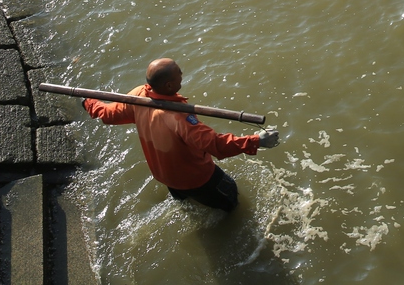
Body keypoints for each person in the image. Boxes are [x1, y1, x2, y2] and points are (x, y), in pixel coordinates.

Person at [83, 58, 279, 212]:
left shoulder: (138, 96)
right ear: (169, 86)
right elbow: (215, 145)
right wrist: (257, 141)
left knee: (187, 203)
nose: (182, 74)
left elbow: (108, 114)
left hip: (166, 177)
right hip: (198, 179)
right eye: (179, 73)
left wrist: (89, 102)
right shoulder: (180, 118)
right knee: (233, 203)